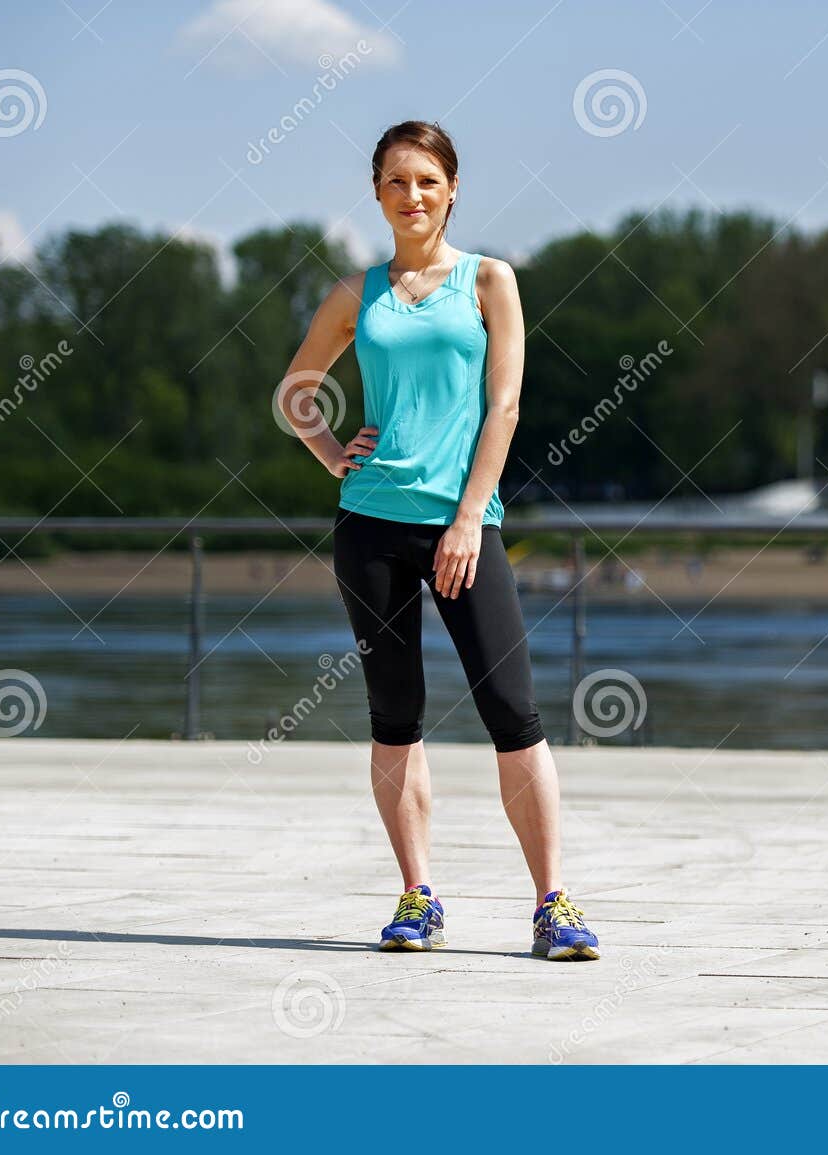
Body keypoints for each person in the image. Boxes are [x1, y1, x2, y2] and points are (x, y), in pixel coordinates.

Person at [276, 120, 598, 960]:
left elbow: (505, 408)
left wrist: (467, 518)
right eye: (394, 181)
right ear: (377, 194)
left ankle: (552, 903)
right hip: (371, 524)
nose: (411, 195)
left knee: (513, 714)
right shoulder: (358, 294)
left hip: (466, 527)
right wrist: (331, 455)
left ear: (452, 188)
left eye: (426, 180)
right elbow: (295, 390)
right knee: (396, 718)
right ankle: (416, 897)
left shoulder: (490, 281)